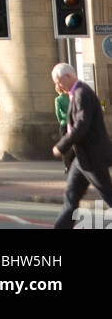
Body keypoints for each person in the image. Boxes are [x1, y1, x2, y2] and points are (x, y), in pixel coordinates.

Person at [51, 63, 112, 229]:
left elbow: (81, 125)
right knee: (71, 195)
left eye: (58, 82)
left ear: (68, 77)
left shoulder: (82, 93)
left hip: (93, 157)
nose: (57, 86)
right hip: (82, 158)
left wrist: (61, 146)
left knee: (108, 195)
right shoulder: (76, 93)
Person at [55, 87, 73, 173]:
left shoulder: (58, 99)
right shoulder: (69, 97)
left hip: (63, 123)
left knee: (64, 145)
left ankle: (67, 166)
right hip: (71, 123)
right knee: (72, 144)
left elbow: (58, 112)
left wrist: (61, 120)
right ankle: (74, 164)